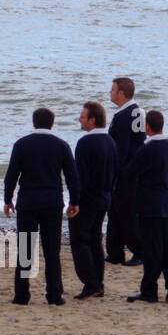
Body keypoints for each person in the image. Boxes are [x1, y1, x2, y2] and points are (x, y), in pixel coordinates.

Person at [3, 108, 80, 305]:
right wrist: (75, 202)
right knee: (52, 251)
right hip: (52, 203)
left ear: (34, 122)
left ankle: (22, 296)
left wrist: (7, 199)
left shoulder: (21, 144)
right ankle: (54, 295)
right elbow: (72, 177)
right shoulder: (61, 146)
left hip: (28, 202)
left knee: (25, 249)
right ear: (52, 123)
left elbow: (12, 174)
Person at [120, 110, 168, 303]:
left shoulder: (147, 149)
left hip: (148, 203)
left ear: (147, 127)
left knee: (152, 248)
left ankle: (149, 290)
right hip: (165, 200)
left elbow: (130, 172)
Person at [69, 101, 116, 299]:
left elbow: (80, 176)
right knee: (96, 240)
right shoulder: (111, 142)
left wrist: (74, 202)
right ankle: (98, 282)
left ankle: (91, 283)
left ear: (92, 120)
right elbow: (115, 172)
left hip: (88, 199)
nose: (79, 120)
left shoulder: (85, 143)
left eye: (82, 116)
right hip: (104, 197)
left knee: (80, 240)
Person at [106, 77, 145, 267]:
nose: (110, 93)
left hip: (125, 172)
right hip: (134, 168)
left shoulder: (123, 116)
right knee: (115, 211)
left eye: (112, 90)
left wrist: (115, 172)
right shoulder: (137, 111)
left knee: (127, 212)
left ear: (121, 93)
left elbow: (120, 148)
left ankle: (138, 251)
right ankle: (114, 251)